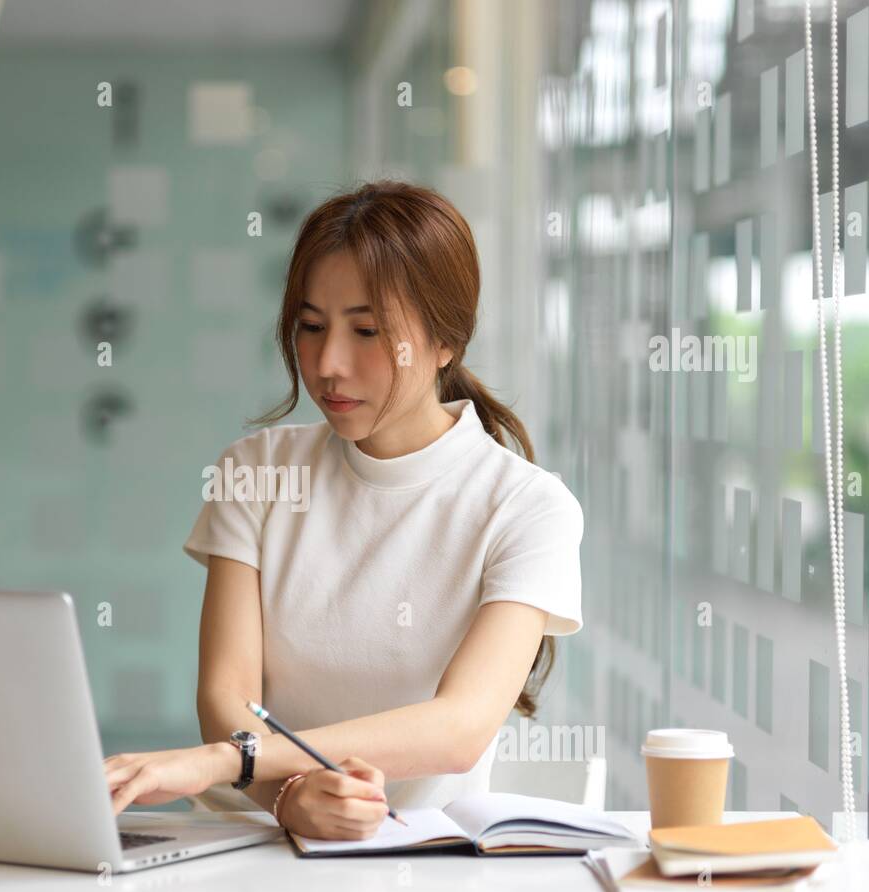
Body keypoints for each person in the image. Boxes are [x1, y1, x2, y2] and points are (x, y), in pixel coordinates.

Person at [103, 179, 584, 840]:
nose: (328, 365)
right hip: (254, 856)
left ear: (445, 342)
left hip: (429, 869)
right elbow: (227, 699)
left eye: (366, 331)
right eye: (310, 327)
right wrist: (286, 797)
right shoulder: (256, 473)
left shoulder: (527, 508)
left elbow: (461, 728)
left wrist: (229, 762)